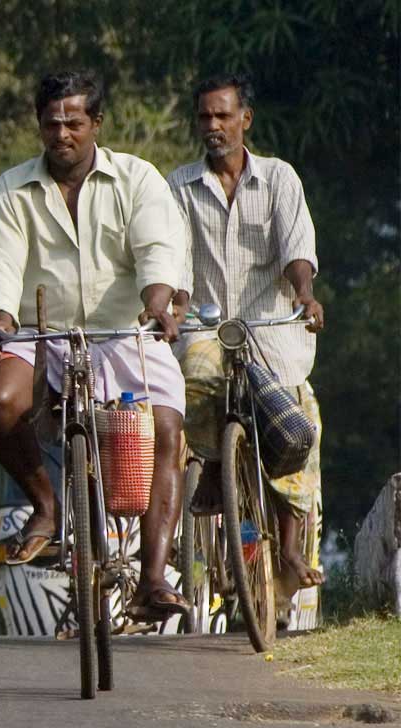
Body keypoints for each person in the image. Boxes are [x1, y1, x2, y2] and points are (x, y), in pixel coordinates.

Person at [0, 71, 191, 621]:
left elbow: (158, 248)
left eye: (74, 122)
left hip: (124, 332)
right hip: (40, 335)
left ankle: (152, 578)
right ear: (39, 126)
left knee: (164, 426)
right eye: (52, 123)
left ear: (97, 124)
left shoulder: (137, 179)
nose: (63, 134)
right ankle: (46, 507)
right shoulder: (12, 189)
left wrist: (158, 303)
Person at [166, 73, 327, 592]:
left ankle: (287, 548)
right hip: (206, 326)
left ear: (245, 120)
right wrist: (175, 305)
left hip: (270, 329)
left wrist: (304, 295)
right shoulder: (178, 187)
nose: (213, 126)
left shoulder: (279, 178)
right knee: (195, 372)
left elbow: (297, 250)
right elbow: (173, 260)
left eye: (223, 115)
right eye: (205, 117)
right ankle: (212, 465)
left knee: (298, 419)